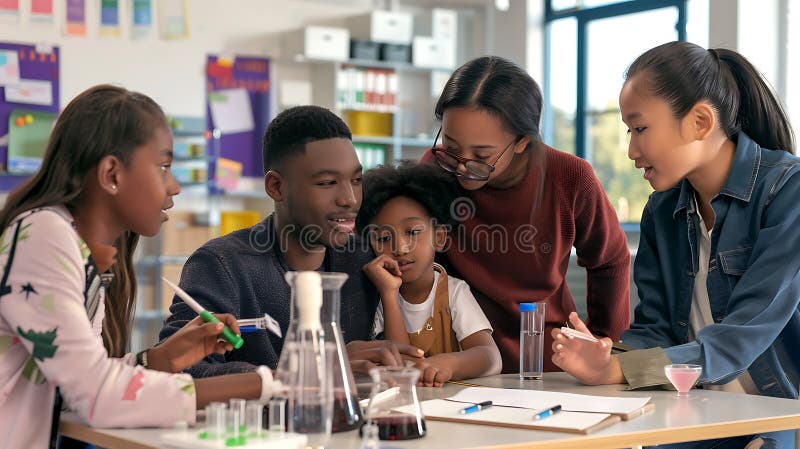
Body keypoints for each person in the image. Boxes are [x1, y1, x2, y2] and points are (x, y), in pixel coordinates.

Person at [552, 41, 798, 449]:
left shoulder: (787, 191)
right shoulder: (662, 210)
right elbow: (656, 328)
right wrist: (607, 355)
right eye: (628, 131)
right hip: (695, 411)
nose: (631, 150)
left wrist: (621, 370)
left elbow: (744, 335)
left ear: (700, 121)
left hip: (777, 412)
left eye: (641, 128)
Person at [0, 85, 275, 449]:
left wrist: (159, 358)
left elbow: (75, 386)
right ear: (112, 173)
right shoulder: (43, 235)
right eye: (163, 167)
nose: (174, 186)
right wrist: (268, 383)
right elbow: (96, 395)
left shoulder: (76, 247)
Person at [160, 105, 423, 377]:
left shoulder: (365, 260)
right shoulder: (221, 266)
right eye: (327, 182)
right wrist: (315, 367)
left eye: (356, 180)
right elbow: (179, 372)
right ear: (276, 187)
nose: (350, 199)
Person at [420, 56, 631, 373]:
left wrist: (605, 349)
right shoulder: (434, 171)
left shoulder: (570, 177)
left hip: (547, 362)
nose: (461, 166)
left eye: (481, 155)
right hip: (460, 359)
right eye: (450, 146)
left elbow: (610, 261)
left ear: (522, 142)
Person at [356, 164, 502, 387]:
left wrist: (448, 364)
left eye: (413, 232)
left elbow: (491, 358)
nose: (400, 248)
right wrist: (388, 293)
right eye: (384, 238)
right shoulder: (375, 295)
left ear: (440, 237)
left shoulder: (453, 291)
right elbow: (401, 367)